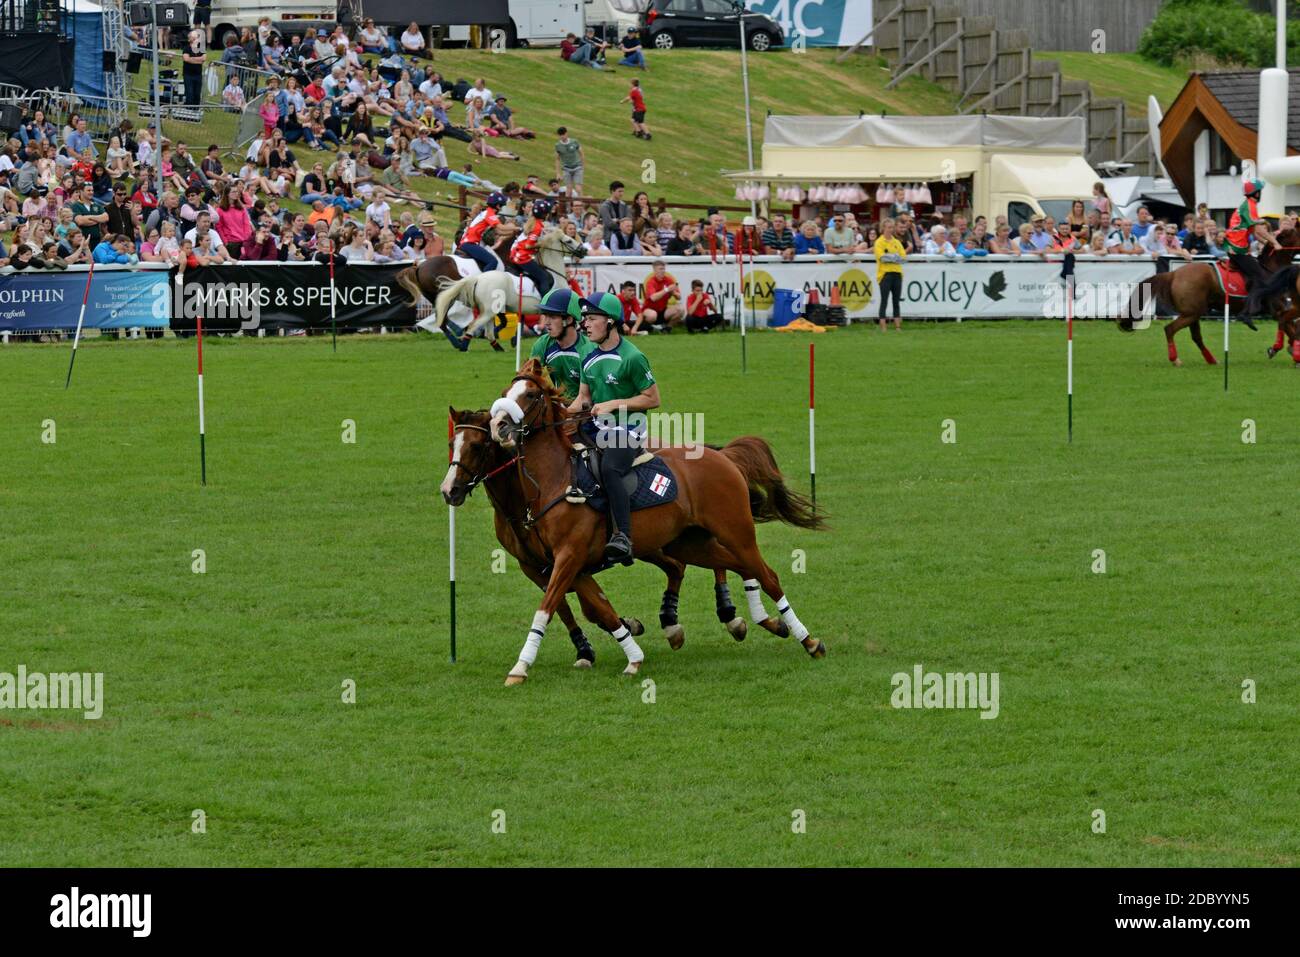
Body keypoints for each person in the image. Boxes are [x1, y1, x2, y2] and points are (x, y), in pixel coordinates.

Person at [569, 292, 660, 565]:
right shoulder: (586, 353)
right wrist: (561, 414)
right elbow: (583, 398)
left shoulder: (633, 357)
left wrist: (614, 404)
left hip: (628, 430)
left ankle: (623, 537)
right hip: (596, 425)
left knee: (610, 469)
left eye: (592, 319)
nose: (585, 324)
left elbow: (653, 399)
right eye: (584, 319)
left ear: (610, 322)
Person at [1224, 179, 1282, 317]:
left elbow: (1256, 233)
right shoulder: (1250, 206)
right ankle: (1247, 311)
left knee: (1257, 272)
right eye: (1260, 191)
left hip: (1238, 248)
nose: (1261, 193)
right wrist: (1275, 242)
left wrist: (1267, 243)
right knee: (1260, 276)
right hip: (1237, 249)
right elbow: (1260, 230)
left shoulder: (1249, 205)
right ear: (1255, 193)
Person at [530, 287, 592, 399]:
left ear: (568, 320)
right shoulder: (542, 344)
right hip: (560, 406)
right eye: (545, 315)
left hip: (586, 409)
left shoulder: (589, 349)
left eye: (553, 317)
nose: (546, 323)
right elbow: (531, 380)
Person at [509, 197, 555, 296]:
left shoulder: (533, 222)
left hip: (516, 254)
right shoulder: (537, 227)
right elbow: (528, 245)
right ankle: (545, 305)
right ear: (545, 214)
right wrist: (542, 243)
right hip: (522, 257)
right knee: (544, 278)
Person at [457, 191, 509, 272]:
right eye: (501, 206)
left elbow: (498, 231)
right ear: (498, 206)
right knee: (493, 261)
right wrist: (517, 228)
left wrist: (511, 233)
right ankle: (481, 282)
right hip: (469, 243)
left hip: (467, 242)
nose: (501, 208)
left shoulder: (486, 212)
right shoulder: (489, 213)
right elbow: (500, 227)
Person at [875, 218, 906, 331]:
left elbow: (903, 258)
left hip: (897, 273)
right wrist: (895, 257)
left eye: (892, 227)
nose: (890, 230)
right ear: (883, 228)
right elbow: (882, 258)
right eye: (888, 227)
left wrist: (891, 257)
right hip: (885, 274)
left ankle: (897, 326)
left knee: (896, 301)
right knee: (884, 300)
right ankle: (883, 326)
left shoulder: (897, 242)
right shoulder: (879, 242)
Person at [182, 31, 206, 106]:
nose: (198, 38)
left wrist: (191, 59)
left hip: (198, 75)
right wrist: (198, 61)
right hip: (188, 74)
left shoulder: (201, 48)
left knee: (197, 93)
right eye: (196, 36)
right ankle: (189, 110)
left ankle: (196, 109)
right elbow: (186, 59)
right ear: (191, 38)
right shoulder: (186, 48)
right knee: (189, 93)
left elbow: (204, 58)